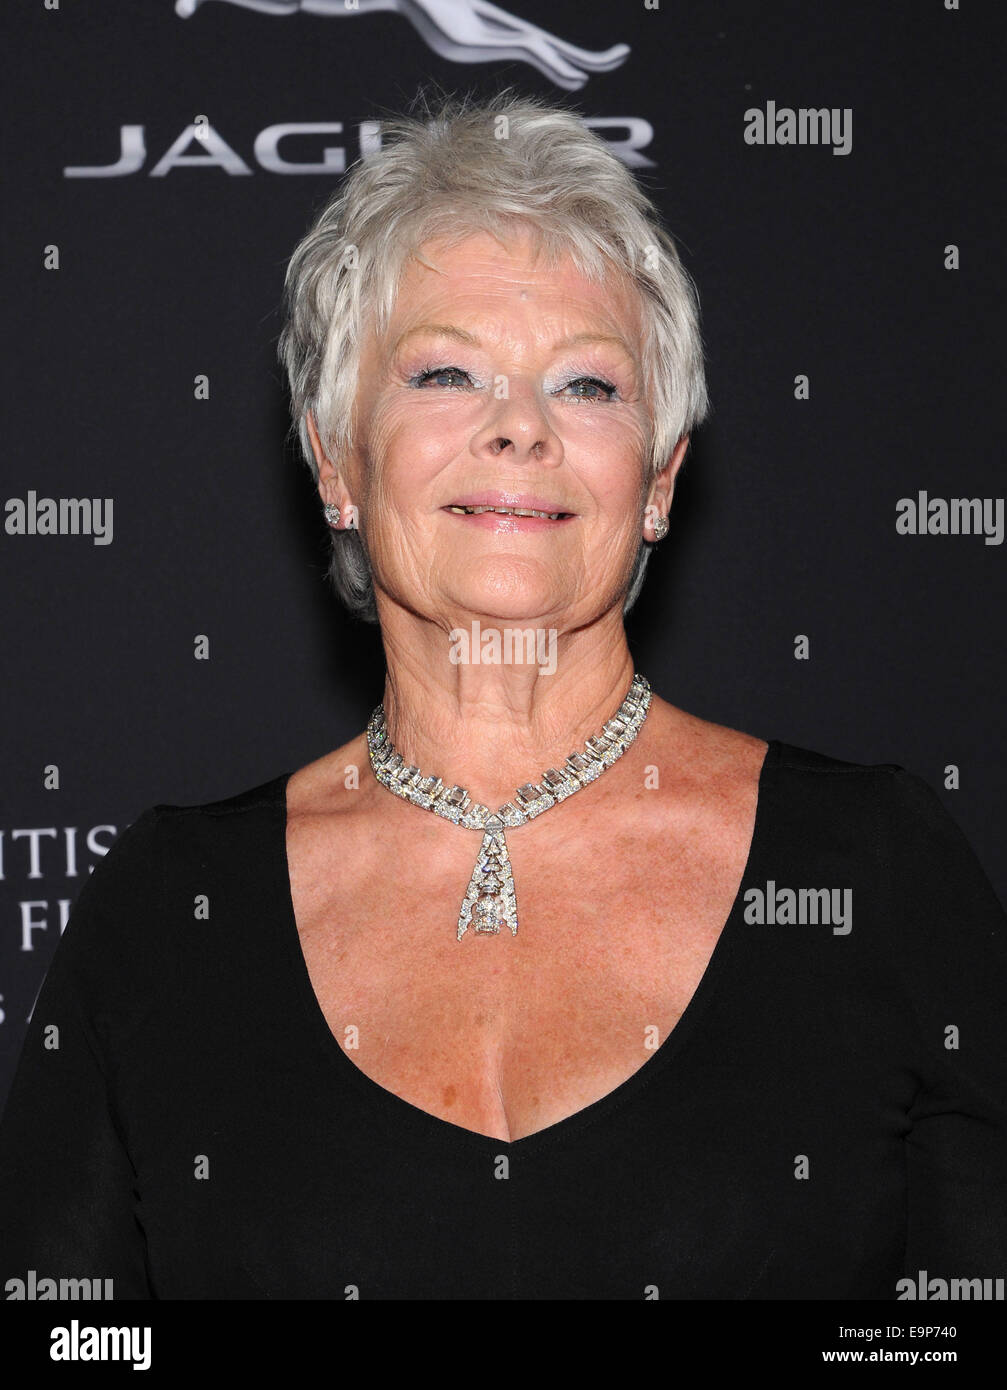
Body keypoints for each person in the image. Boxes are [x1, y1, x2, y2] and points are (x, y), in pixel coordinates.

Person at [2, 90, 1005, 1301]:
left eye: (585, 386)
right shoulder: (168, 912)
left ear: (658, 480)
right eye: (444, 372)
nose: (519, 429)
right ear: (336, 462)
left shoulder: (874, 871)